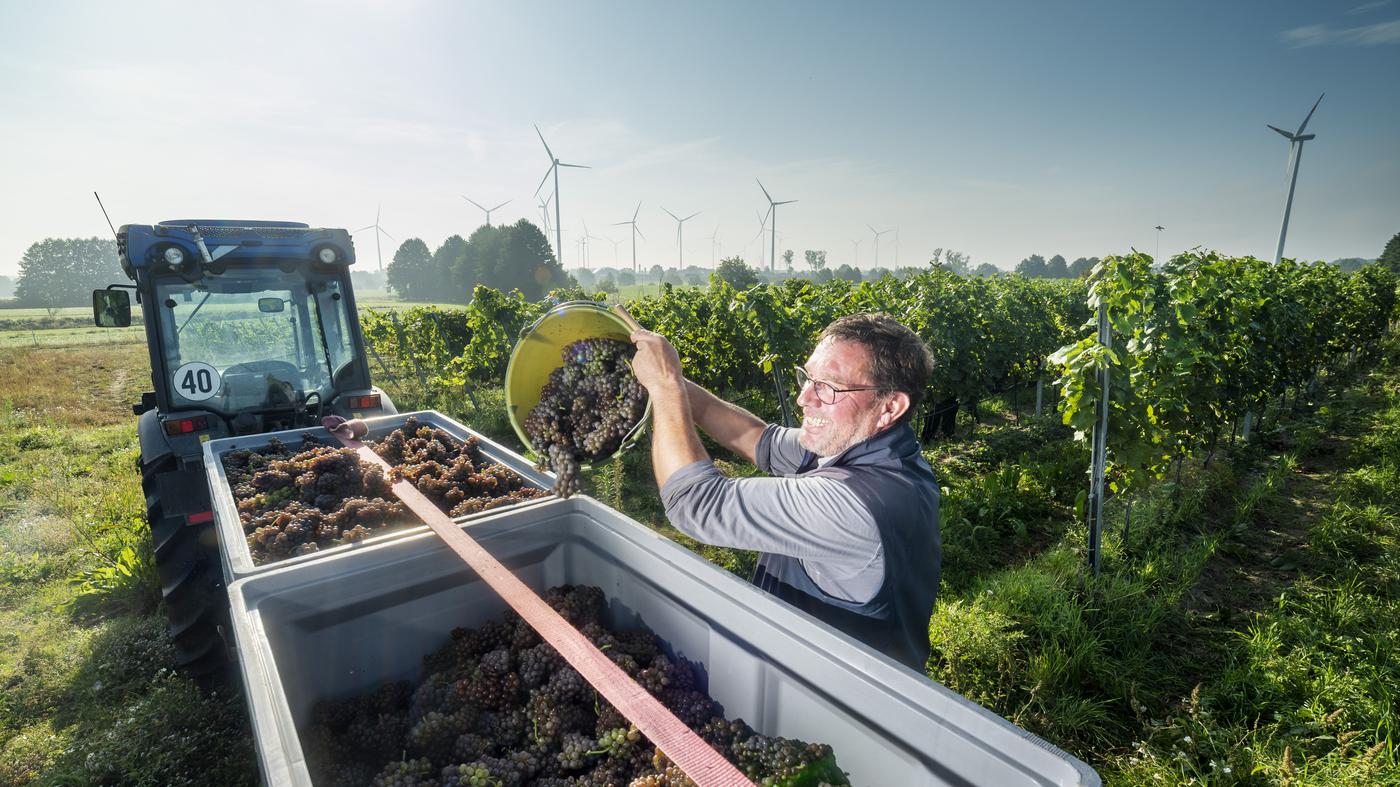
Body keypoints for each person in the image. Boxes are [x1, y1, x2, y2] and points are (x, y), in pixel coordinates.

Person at [626, 311, 940, 670]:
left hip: (836, 704)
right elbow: (754, 437)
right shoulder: (861, 444)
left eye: (829, 386)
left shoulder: (858, 506)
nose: (804, 398)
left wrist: (665, 387)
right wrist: (671, 377)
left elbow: (695, 503)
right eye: (808, 378)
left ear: (890, 407)